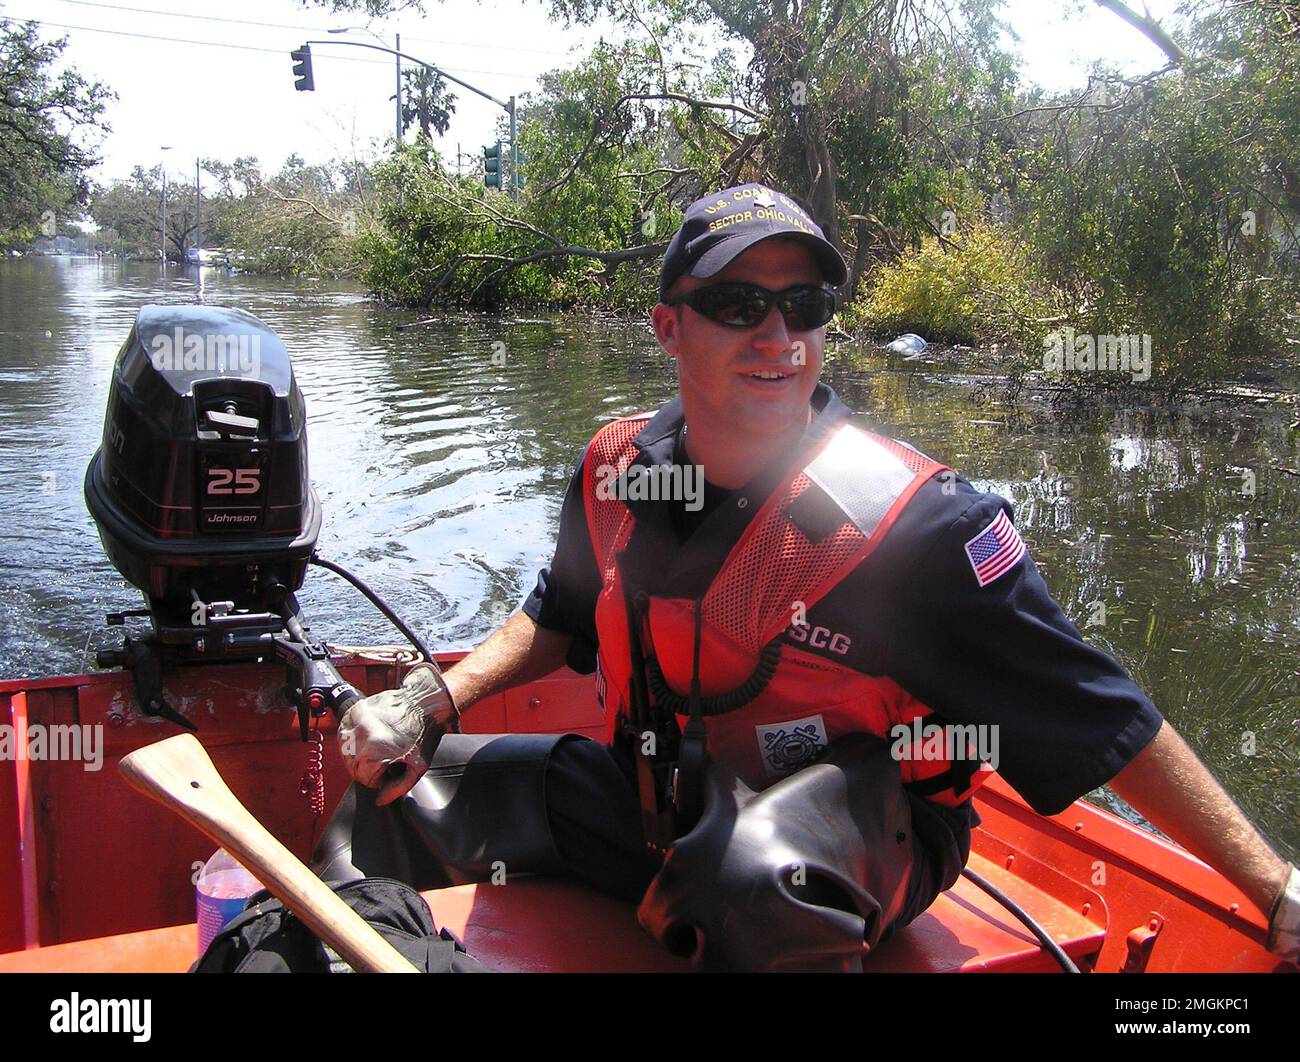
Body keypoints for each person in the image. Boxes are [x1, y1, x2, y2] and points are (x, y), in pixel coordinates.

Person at [327, 184, 1299, 971]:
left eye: (803, 306)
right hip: (663, 799)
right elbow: (561, 613)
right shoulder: (620, 470)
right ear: (668, 330)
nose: (776, 336)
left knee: (752, 878)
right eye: (737, 306)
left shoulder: (921, 526)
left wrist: (1273, 887)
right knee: (389, 791)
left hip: (860, 841)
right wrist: (425, 703)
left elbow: (1101, 718)